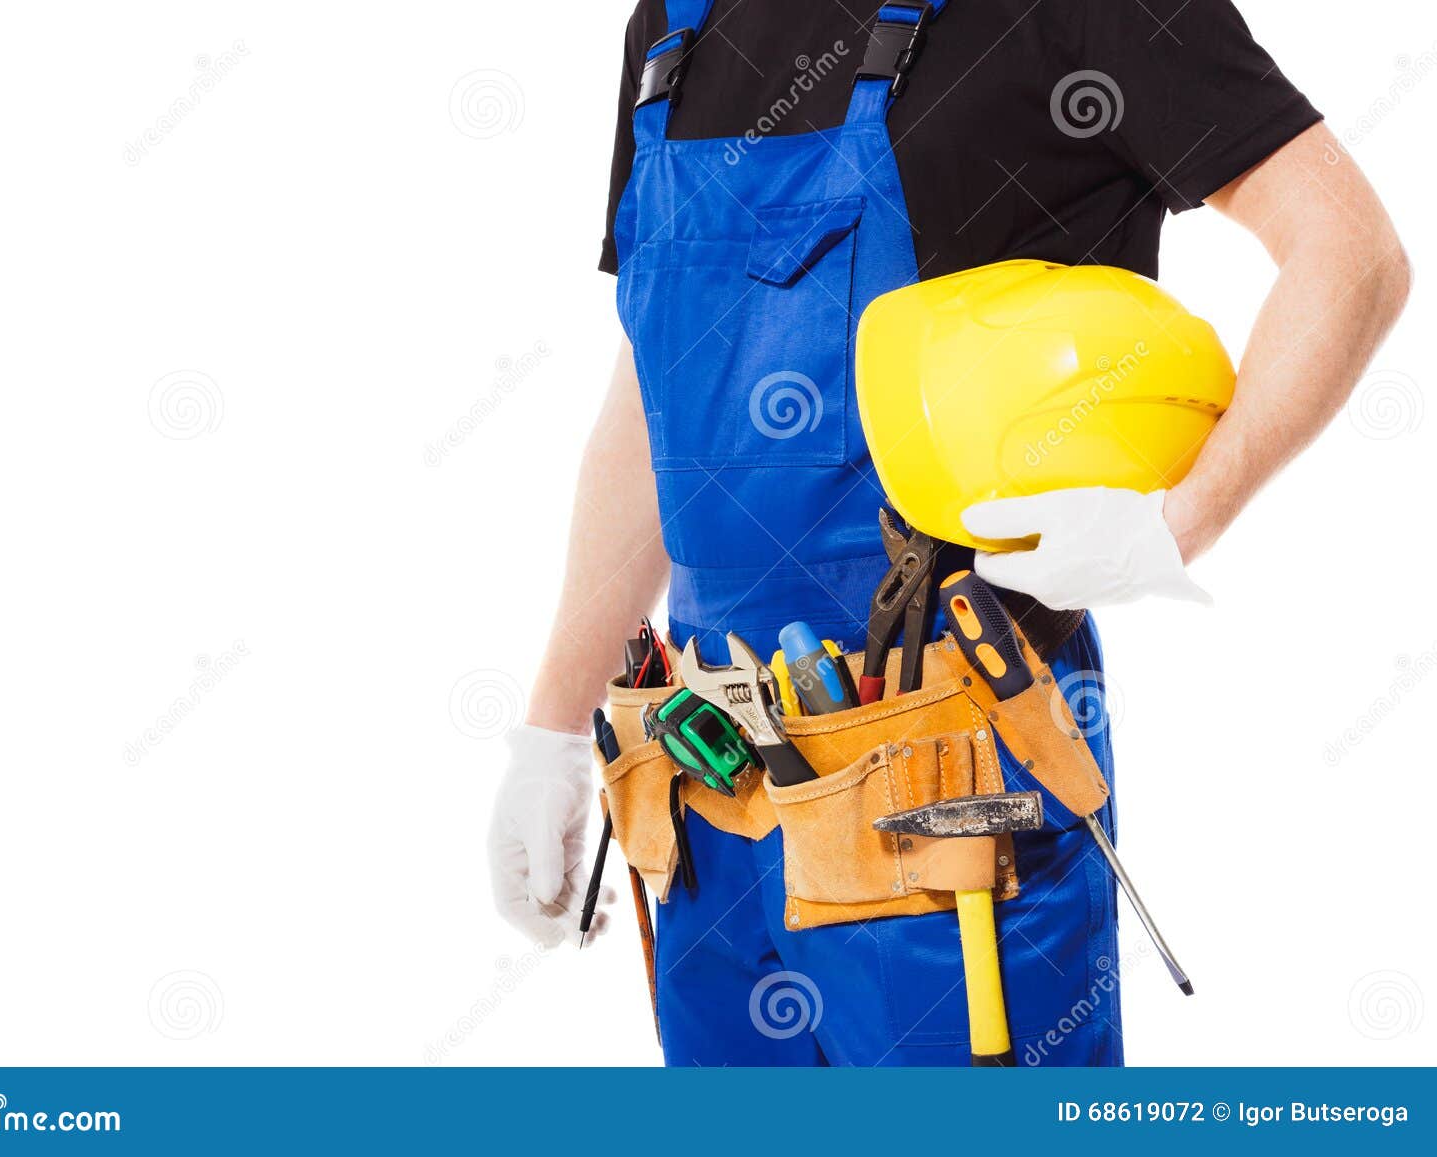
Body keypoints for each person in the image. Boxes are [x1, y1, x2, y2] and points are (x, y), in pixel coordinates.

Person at [488, 0, 1408, 1066]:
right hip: (704, 796)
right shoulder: (672, 26)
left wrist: (1178, 522)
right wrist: (551, 731)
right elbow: (656, 396)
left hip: (947, 786)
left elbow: (1351, 251)